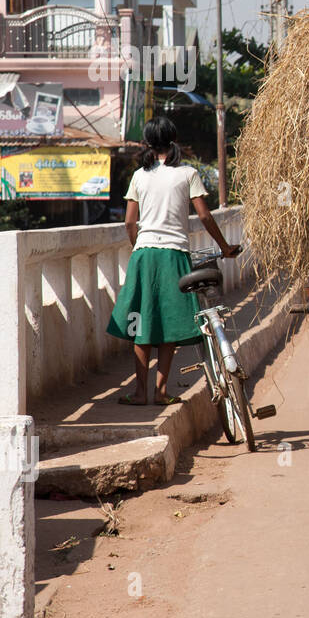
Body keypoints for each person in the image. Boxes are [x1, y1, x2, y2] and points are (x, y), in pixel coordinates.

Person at [107, 117, 240, 405]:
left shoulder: (139, 176)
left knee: (141, 323)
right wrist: (225, 246)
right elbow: (204, 216)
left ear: (148, 142)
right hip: (175, 254)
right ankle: (162, 391)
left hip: (143, 255)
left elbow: (130, 223)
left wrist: (139, 247)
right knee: (169, 323)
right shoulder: (187, 174)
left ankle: (140, 393)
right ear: (173, 138)